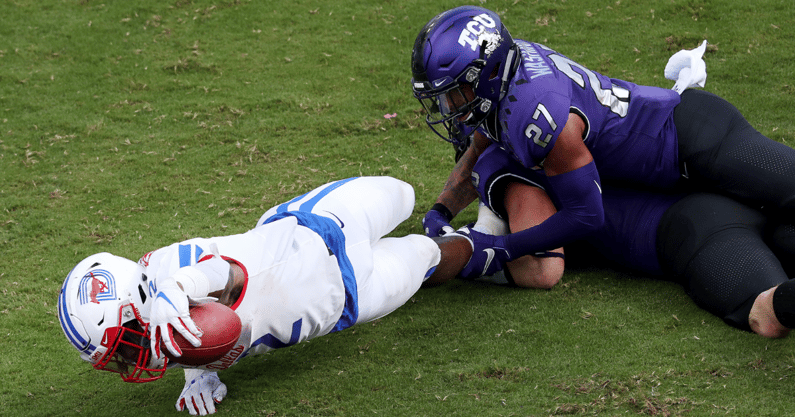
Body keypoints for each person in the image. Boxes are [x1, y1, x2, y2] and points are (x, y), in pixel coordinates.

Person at [411, 6, 795, 278]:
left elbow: (586, 214)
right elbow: (480, 145)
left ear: (486, 74)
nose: (447, 106)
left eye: (455, 93)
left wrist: (504, 249)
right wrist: (440, 211)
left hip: (691, 137)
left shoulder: (538, 114)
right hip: (655, 171)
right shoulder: (503, 83)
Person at [57, 176, 472, 416]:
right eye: (116, 359)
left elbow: (226, 274)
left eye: (123, 346)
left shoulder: (169, 271)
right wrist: (198, 371)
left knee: (406, 194)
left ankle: (493, 175)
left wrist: (179, 288)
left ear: (139, 298)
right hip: (346, 304)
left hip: (324, 224)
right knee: (428, 254)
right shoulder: (169, 325)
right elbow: (200, 326)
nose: (129, 361)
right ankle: (490, 243)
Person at [427, 142, 795, 339]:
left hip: (692, 225)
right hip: (733, 192)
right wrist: (442, 212)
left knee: (766, 314)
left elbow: (543, 268)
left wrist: (474, 256)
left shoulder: (501, 165)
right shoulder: (553, 120)